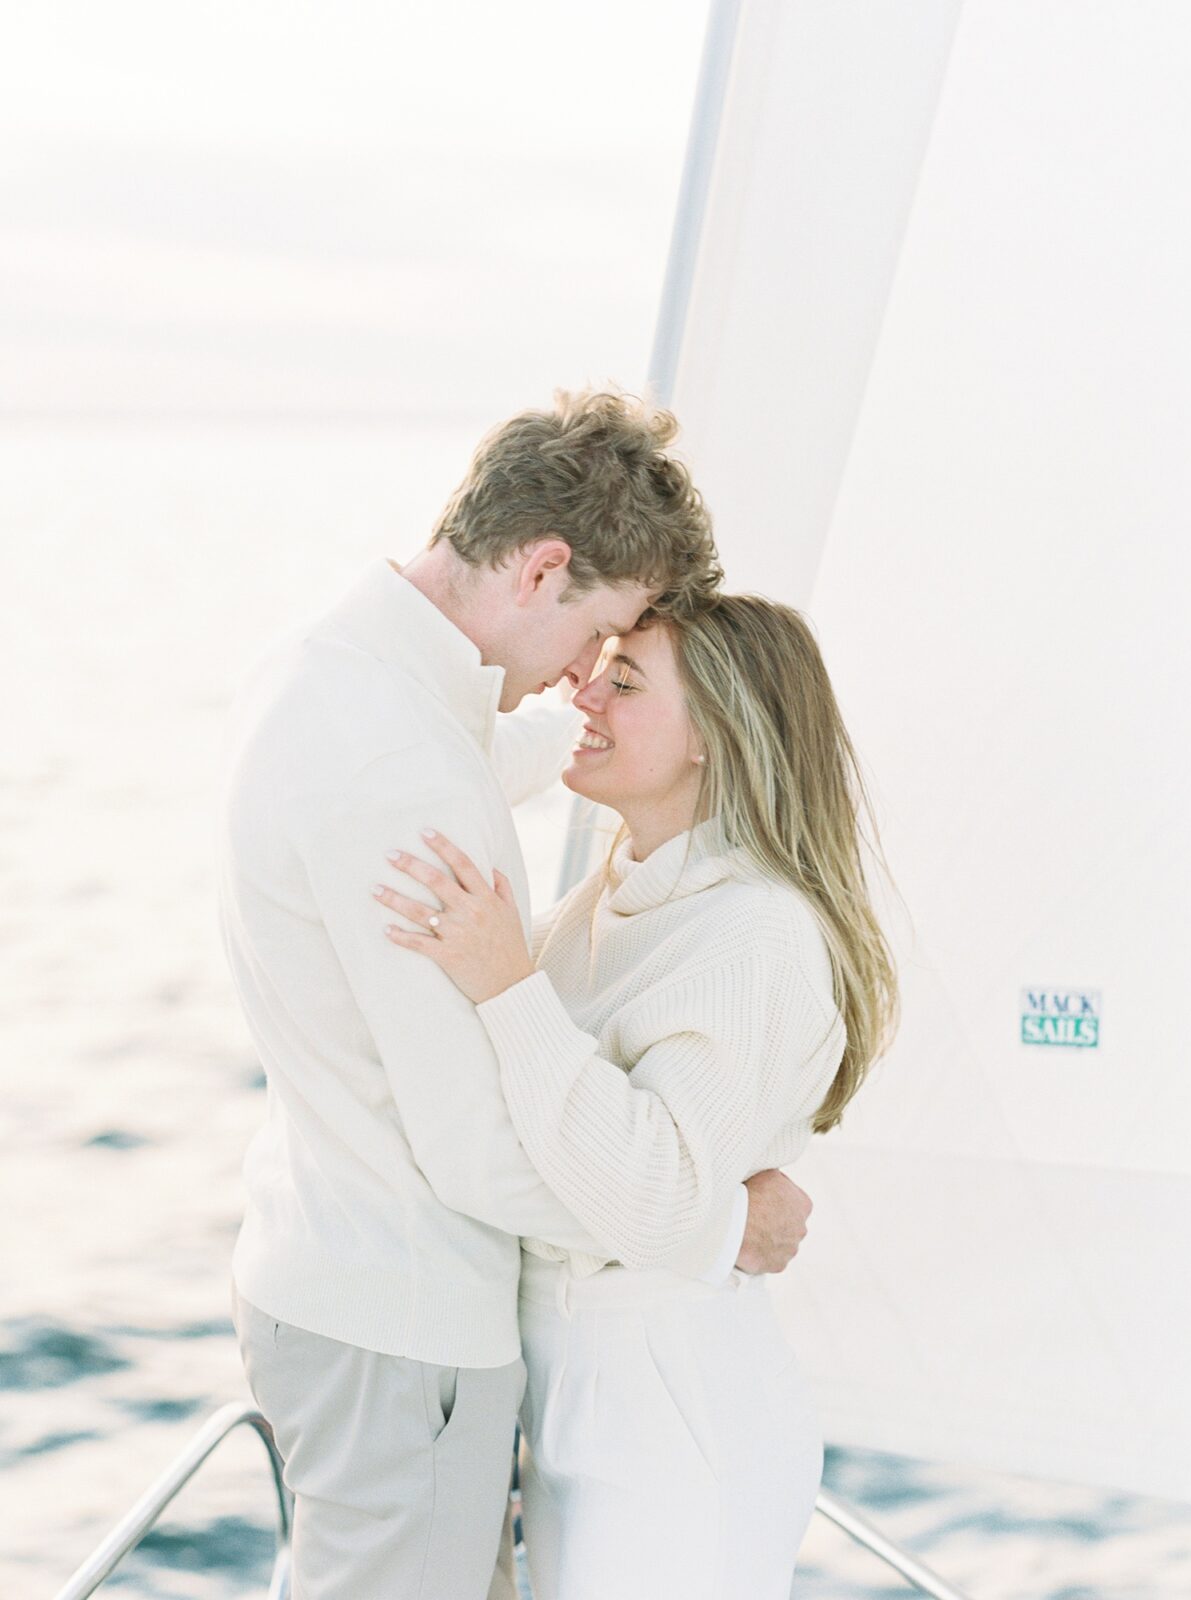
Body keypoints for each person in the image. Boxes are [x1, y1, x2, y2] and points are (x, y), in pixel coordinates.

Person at [218, 391, 817, 1600]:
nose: (579, 681)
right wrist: (709, 1228)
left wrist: (606, 750)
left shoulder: (342, 672)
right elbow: (477, 1151)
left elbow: (463, 760)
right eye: (597, 637)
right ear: (544, 569)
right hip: (402, 1322)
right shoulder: (401, 769)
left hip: (329, 1274)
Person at [374, 591, 899, 1600]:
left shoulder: (757, 932)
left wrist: (505, 983)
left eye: (625, 680)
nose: (587, 694)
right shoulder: (600, 903)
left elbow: (656, 1189)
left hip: (672, 1415)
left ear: (714, 735)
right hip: (574, 1394)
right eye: (594, 667)